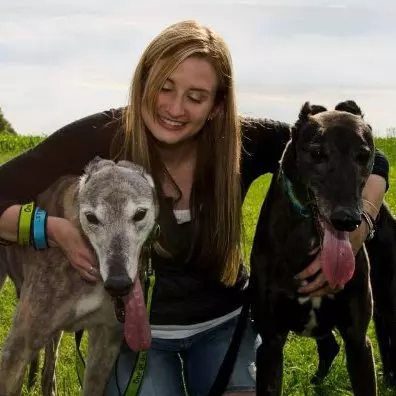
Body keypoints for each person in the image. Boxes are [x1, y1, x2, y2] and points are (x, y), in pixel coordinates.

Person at [0, 20, 389, 396]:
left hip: (225, 326)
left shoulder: (242, 138)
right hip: (139, 336)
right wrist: (51, 229)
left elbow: (373, 161)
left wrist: (357, 228)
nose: (174, 108)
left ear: (218, 105)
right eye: (164, 87)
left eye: (196, 97)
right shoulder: (103, 134)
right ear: (144, 80)